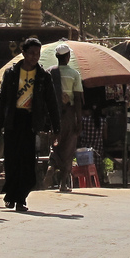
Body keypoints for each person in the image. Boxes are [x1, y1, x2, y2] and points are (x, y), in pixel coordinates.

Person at [0, 37, 60, 212]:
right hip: (12, 121)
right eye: (31, 53)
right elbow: (2, 100)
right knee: (11, 160)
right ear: (23, 53)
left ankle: (21, 198)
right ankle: (10, 194)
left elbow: (51, 102)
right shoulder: (11, 73)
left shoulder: (43, 76)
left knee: (27, 160)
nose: (34, 57)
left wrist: (56, 127)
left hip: (30, 122)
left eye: (37, 54)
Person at [47, 44, 84, 193]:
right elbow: (78, 99)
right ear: (68, 57)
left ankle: (51, 166)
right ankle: (63, 183)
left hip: (53, 115)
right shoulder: (74, 74)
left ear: (57, 57)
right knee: (68, 148)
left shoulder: (49, 73)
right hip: (68, 114)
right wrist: (79, 121)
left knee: (55, 144)